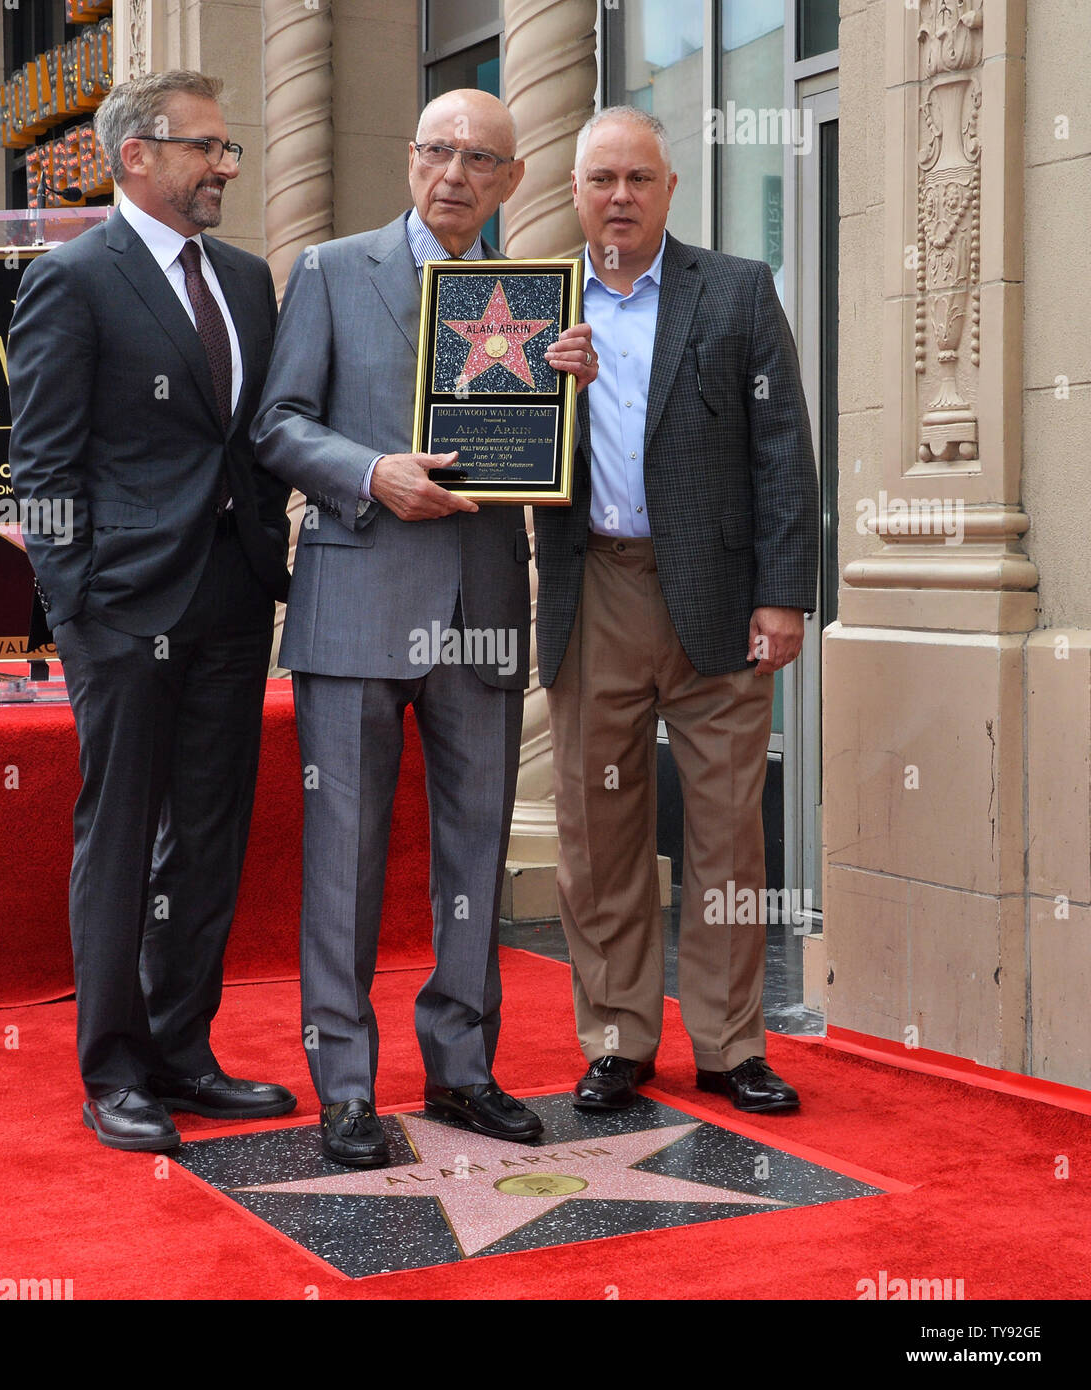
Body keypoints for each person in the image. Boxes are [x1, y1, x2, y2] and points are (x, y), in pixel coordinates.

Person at [254, 88, 597, 1167]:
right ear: (410, 159)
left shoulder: (535, 303)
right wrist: (369, 472)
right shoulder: (327, 269)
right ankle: (345, 1088)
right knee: (344, 862)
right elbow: (274, 424)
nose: (454, 172)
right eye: (437, 150)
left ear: (511, 179)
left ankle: (460, 1069)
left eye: (479, 158)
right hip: (354, 600)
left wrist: (572, 393)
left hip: (482, 614)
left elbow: (562, 468)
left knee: (473, 854)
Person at [8, 70, 296, 1151]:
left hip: (230, 596)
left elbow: (253, 434)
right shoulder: (73, 279)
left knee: (210, 839)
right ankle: (113, 1069)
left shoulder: (246, 275)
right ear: (137, 155)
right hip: (122, 610)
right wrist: (76, 604)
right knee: (122, 837)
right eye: (207, 147)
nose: (226, 165)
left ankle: (182, 1052)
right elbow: (41, 461)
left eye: (227, 149)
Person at [534, 107, 819, 1115]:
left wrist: (783, 596)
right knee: (596, 831)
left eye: (638, 178)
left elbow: (782, 451)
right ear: (572, 191)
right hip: (591, 588)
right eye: (600, 178)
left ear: (667, 188)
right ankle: (615, 1037)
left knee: (726, 836)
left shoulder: (735, 291)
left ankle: (731, 1043)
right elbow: (486, 450)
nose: (619, 195)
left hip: (718, 599)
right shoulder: (528, 306)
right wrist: (538, 382)